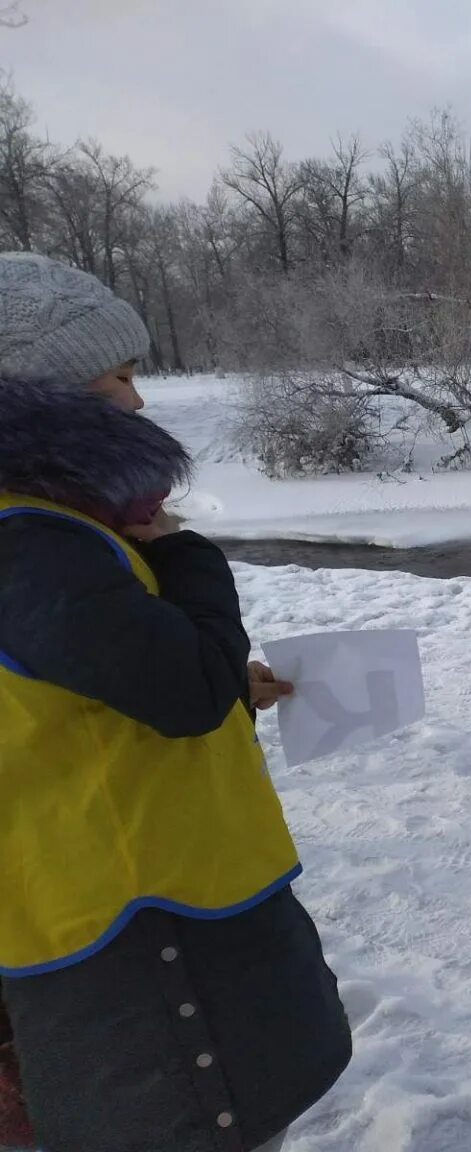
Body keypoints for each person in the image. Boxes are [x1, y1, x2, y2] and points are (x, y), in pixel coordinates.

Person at [0, 253, 350, 1152]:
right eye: (120, 376)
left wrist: (228, 677)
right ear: (51, 397)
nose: (140, 402)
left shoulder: (53, 533)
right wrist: (184, 554)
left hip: (127, 906)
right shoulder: (33, 544)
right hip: (136, 932)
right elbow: (183, 692)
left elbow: (83, 684)